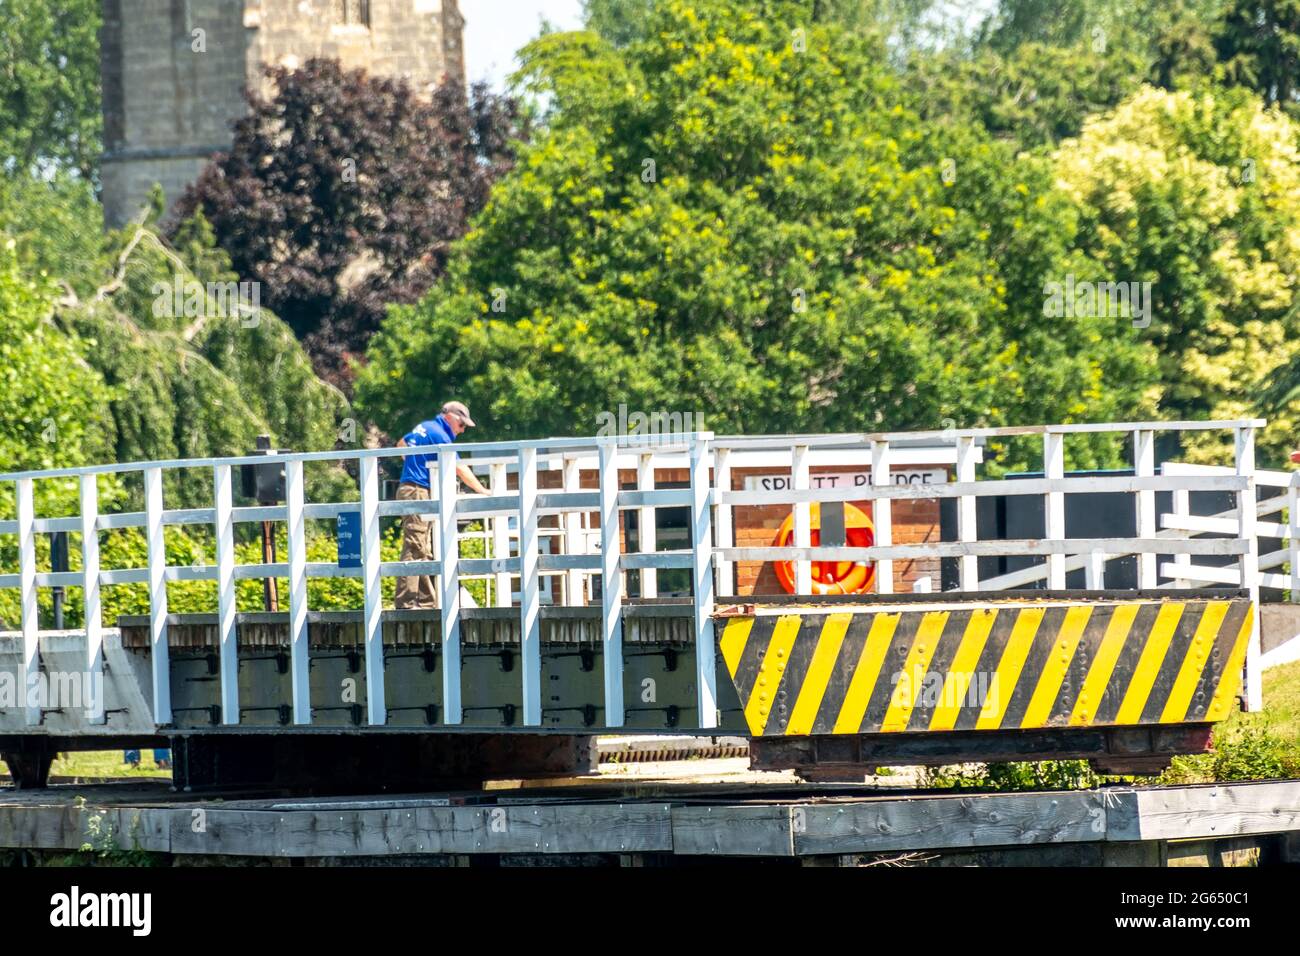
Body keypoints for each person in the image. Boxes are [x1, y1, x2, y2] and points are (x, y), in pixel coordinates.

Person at [394, 400, 490, 609]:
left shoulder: (425, 427)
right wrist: (482, 490)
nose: (462, 430)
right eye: (461, 425)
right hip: (418, 491)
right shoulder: (441, 435)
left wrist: (415, 464)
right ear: (450, 417)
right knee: (415, 545)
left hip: (412, 488)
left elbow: (401, 444)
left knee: (424, 548)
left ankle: (426, 602)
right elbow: (459, 467)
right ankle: (406, 603)